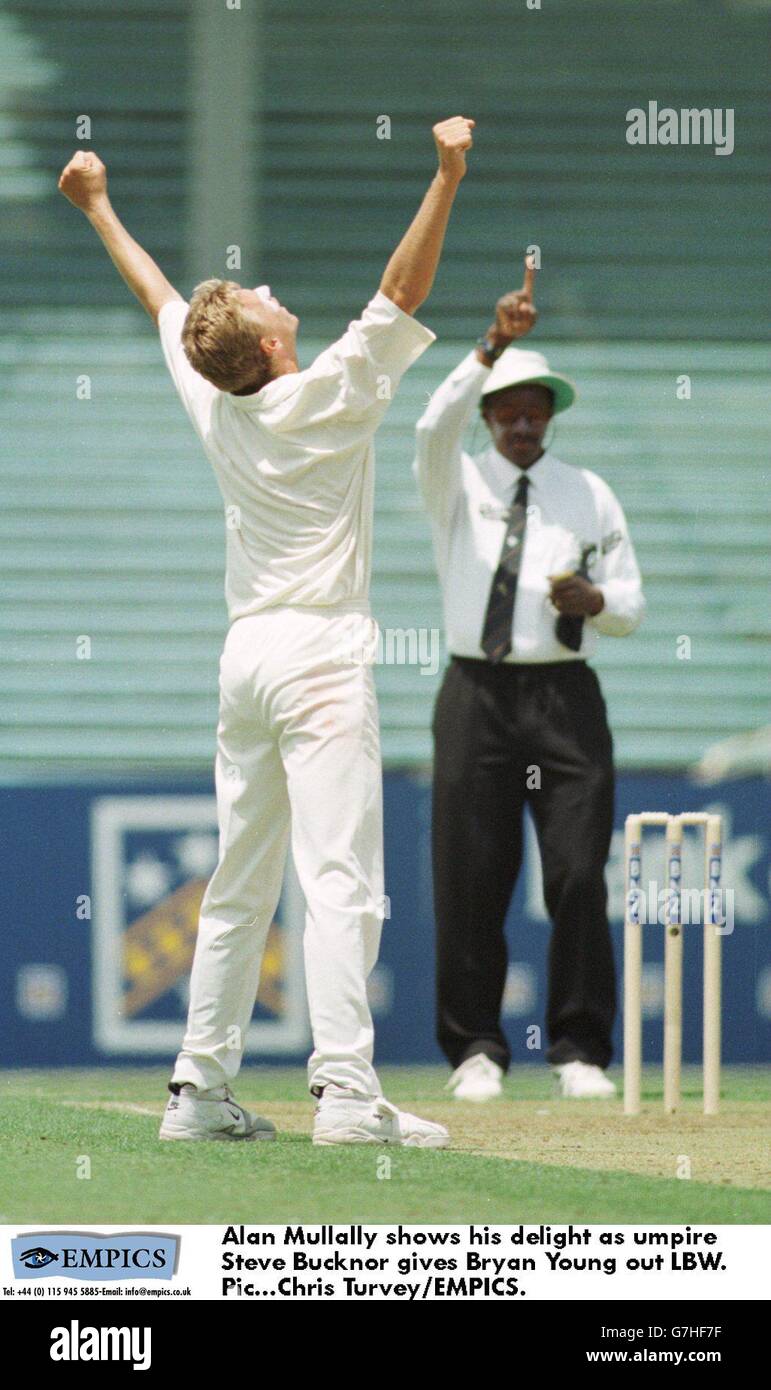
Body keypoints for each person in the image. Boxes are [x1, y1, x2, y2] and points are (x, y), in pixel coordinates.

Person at [58, 115, 477, 1146]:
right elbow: (404, 292)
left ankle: (198, 1092)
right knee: (338, 877)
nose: (271, 290)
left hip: (245, 656)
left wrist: (99, 206)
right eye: (263, 298)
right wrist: (447, 172)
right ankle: (343, 1094)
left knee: (242, 880)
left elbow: (161, 299)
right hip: (324, 652)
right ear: (273, 343)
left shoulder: (218, 403)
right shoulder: (331, 390)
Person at [414, 264, 645, 1102]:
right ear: (486, 416)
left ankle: (579, 1049)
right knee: (471, 873)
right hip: (475, 694)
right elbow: (430, 422)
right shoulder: (455, 479)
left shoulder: (587, 493)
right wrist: (491, 343)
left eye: (534, 408)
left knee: (579, 872)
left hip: (564, 698)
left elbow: (630, 602)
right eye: (507, 409)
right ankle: (475, 1047)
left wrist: (596, 601)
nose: (521, 422)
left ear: (550, 415)